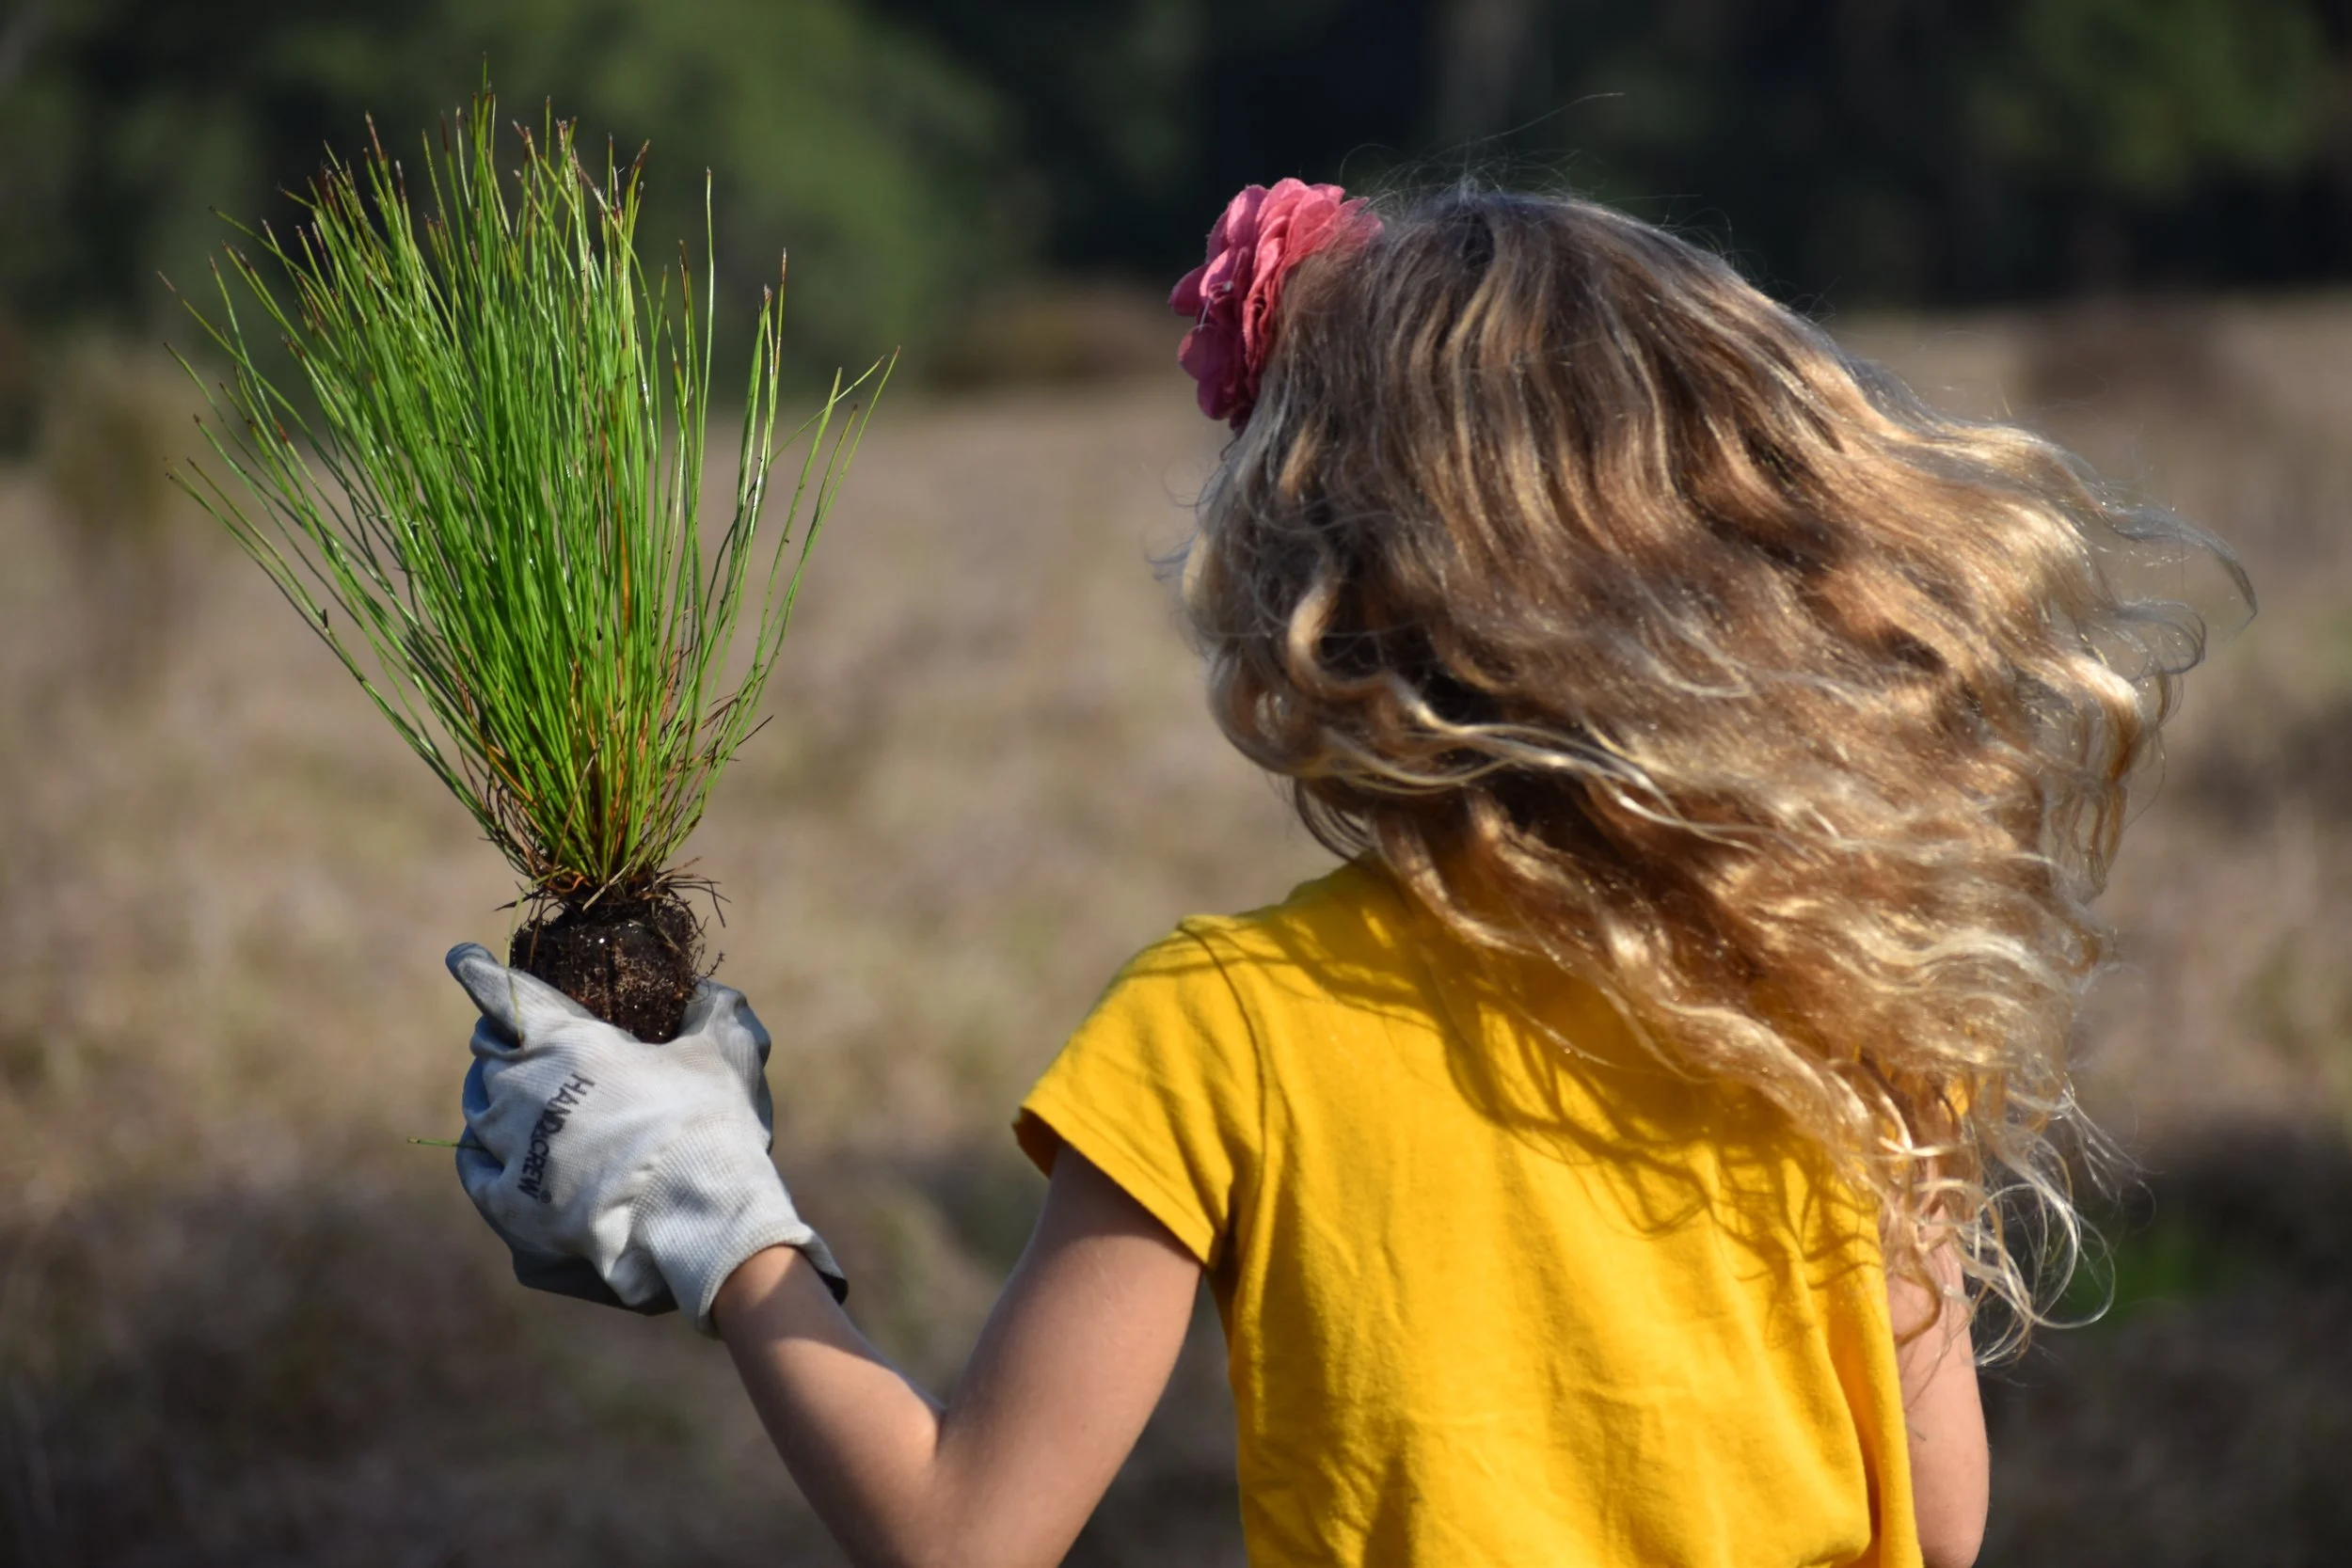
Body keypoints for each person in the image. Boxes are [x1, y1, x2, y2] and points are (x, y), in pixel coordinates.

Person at [445, 179, 2236, 1568]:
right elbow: (1937, 1519)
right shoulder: (1831, 990)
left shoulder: (1225, 1030)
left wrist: (719, 1212)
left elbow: (961, 1528)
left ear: (1321, 593)